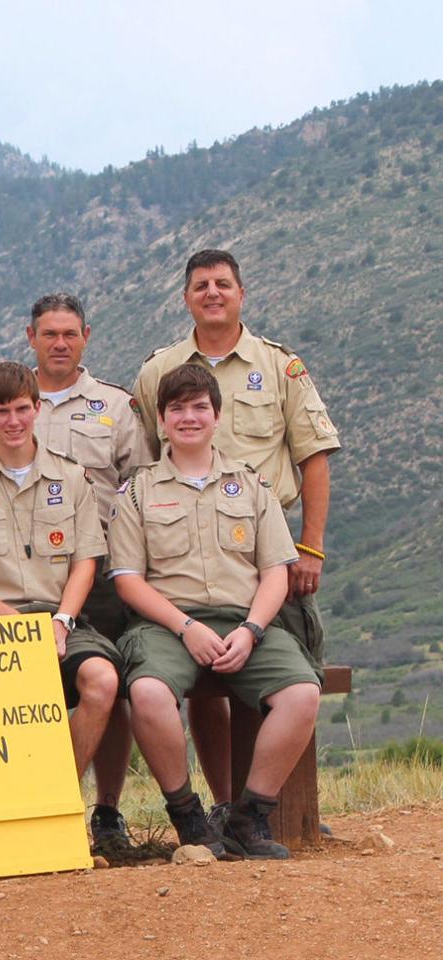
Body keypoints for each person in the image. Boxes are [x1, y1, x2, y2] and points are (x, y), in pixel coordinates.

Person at [132, 250, 340, 822]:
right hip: (184, 554)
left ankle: (280, 812)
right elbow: (152, 460)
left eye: (223, 283)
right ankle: (223, 803)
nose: (213, 293)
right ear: (186, 297)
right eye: (201, 285)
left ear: (241, 293)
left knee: (296, 671)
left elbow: (314, 457)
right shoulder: (158, 371)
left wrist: (310, 547)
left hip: (267, 554)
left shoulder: (278, 366)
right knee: (203, 684)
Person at [108, 364, 321, 860]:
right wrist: (185, 627)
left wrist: (250, 630)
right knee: (147, 692)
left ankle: (250, 817)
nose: (188, 418)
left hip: (246, 622)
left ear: (217, 416)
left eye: (199, 407)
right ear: (160, 419)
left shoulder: (250, 486)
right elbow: (127, 579)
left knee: (302, 694)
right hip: (167, 624)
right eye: (177, 408)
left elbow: (275, 571)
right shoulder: (138, 492)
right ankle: (188, 818)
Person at [0, 361, 124, 834]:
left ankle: (56, 798)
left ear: (38, 408)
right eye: (1, 410)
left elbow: (87, 560)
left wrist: (62, 622)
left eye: (22, 408)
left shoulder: (71, 477)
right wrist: (16, 625)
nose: (13, 421)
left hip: (59, 622)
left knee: (103, 681)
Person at [24, 293, 151, 853]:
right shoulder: (11, 399)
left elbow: (140, 484)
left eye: (69, 334)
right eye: (49, 333)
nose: (59, 343)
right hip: (22, 574)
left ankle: (107, 810)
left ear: (86, 336)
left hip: (98, 569)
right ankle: (32, 808)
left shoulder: (114, 406)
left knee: (113, 687)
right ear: (31, 337)